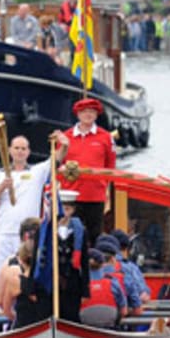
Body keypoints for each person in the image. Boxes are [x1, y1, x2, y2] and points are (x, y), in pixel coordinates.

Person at [0, 134, 69, 301]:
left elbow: (56, 159)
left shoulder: (37, 172)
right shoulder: (0, 175)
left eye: (23, 148)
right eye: (16, 148)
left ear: (28, 152)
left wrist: (64, 145)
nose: (20, 152)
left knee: (27, 270)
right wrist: (2, 186)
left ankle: (24, 306)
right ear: (9, 150)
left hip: (27, 235)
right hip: (4, 233)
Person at [57, 97, 116, 243]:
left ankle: (92, 263)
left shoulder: (106, 137)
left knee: (94, 235)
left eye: (91, 111)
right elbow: (57, 164)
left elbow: (110, 167)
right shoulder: (66, 137)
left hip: (95, 196)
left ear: (96, 115)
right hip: (70, 196)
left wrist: (102, 187)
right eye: (84, 112)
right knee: (68, 236)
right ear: (78, 114)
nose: (88, 115)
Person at [32, 189, 88, 323]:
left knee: (70, 316)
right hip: (48, 281)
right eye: (60, 209)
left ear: (73, 210)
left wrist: (85, 291)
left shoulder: (80, 231)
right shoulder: (44, 230)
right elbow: (36, 258)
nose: (63, 213)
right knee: (46, 315)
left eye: (67, 209)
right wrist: (31, 288)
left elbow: (84, 262)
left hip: (71, 284)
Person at [78, 249, 125, 328]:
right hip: (110, 327)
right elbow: (124, 311)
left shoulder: (78, 284)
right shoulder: (113, 282)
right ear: (103, 264)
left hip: (84, 327)